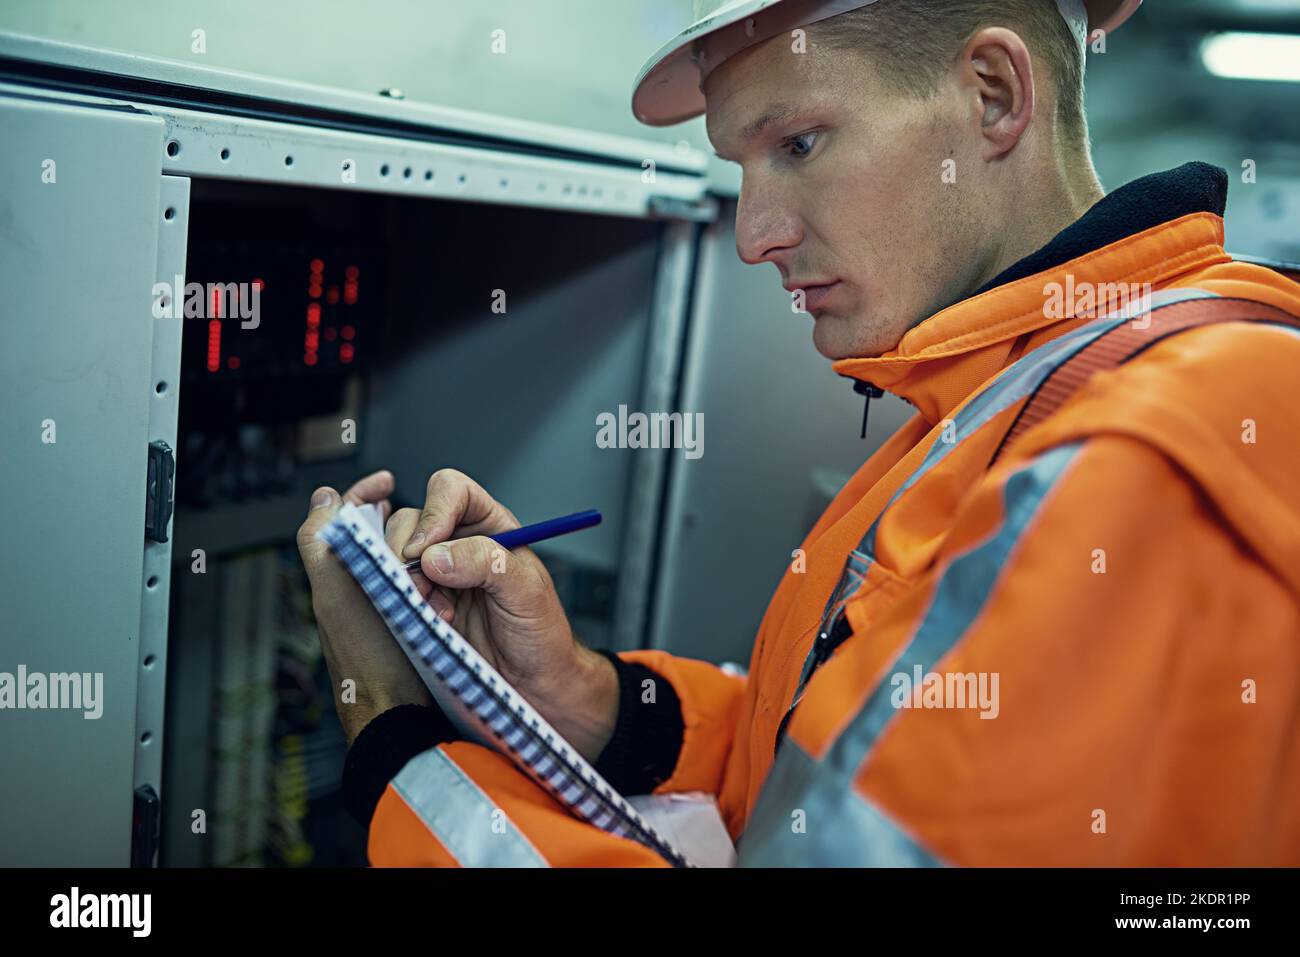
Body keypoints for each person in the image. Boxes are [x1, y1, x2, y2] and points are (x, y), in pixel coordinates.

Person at [296, 0, 1300, 865]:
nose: (752, 233)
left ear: (992, 94)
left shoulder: (1142, 448)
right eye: (742, 165)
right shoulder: (1003, 394)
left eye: (799, 145)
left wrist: (397, 747)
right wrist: (591, 703)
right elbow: (832, 768)